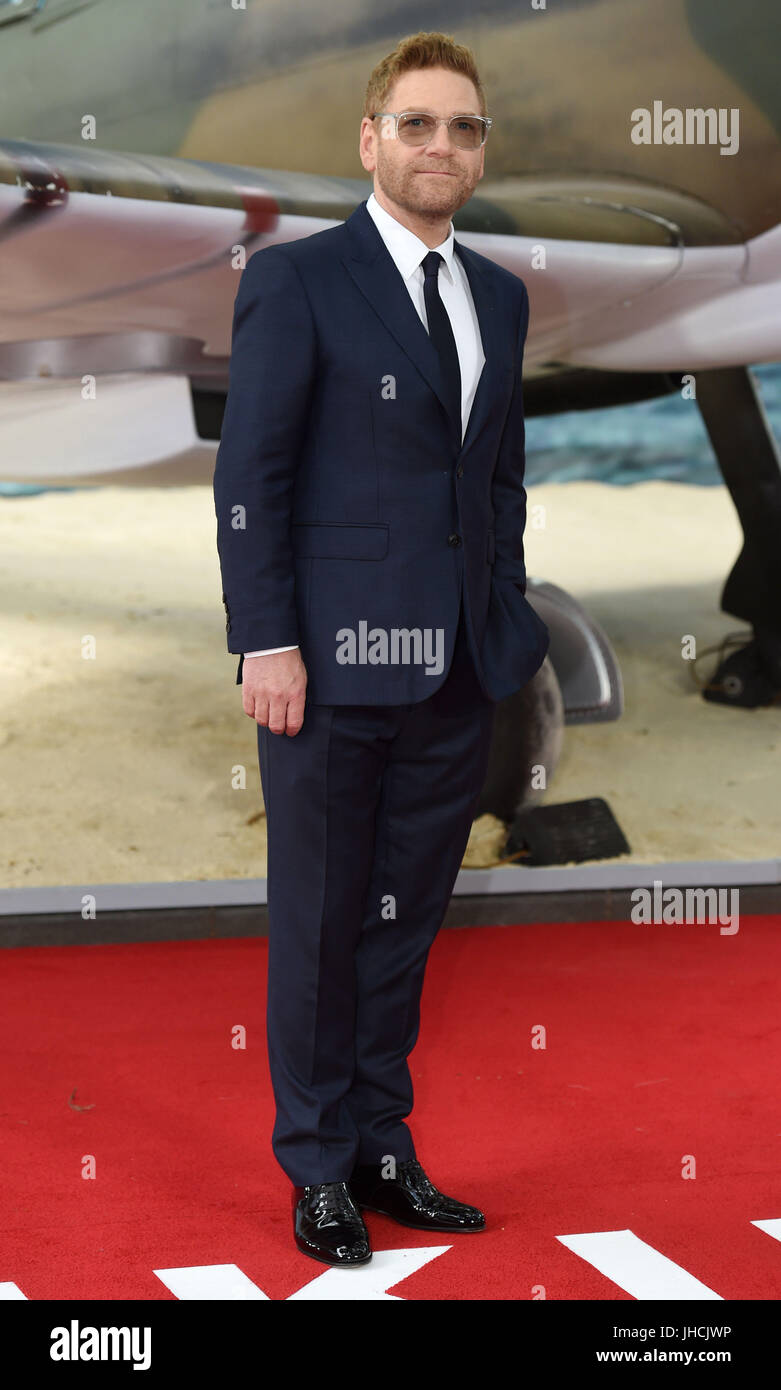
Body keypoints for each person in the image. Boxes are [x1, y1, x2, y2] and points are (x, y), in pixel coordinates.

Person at [213, 30, 549, 1267]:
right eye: (417, 124)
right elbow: (251, 477)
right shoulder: (297, 281)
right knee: (318, 919)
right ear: (370, 140)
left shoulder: (500, 296)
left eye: (463, 127)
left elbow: (497, 480)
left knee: (403, 920)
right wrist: (268, 641)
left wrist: (501, 616)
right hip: (327, 670)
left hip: (456, 667)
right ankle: (314, 1168)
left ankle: (380, 1143)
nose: (441, 147)